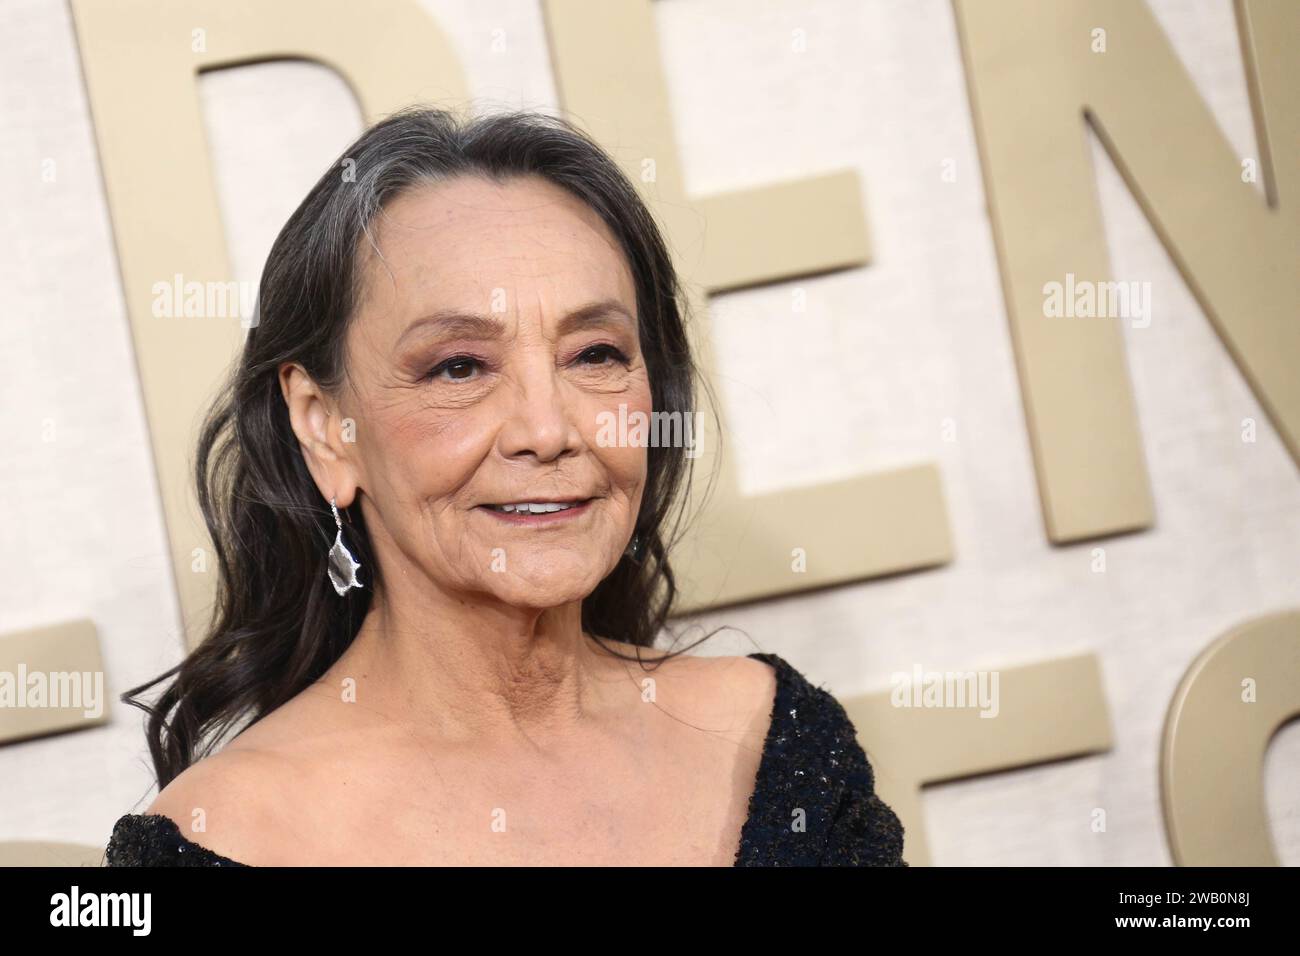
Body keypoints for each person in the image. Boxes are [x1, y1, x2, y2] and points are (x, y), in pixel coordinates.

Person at [103, 106, 906, 867]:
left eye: (595, 355)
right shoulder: (223, 836)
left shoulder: (775, 738)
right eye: (459, 367)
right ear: (324, 426)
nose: (548, 430)